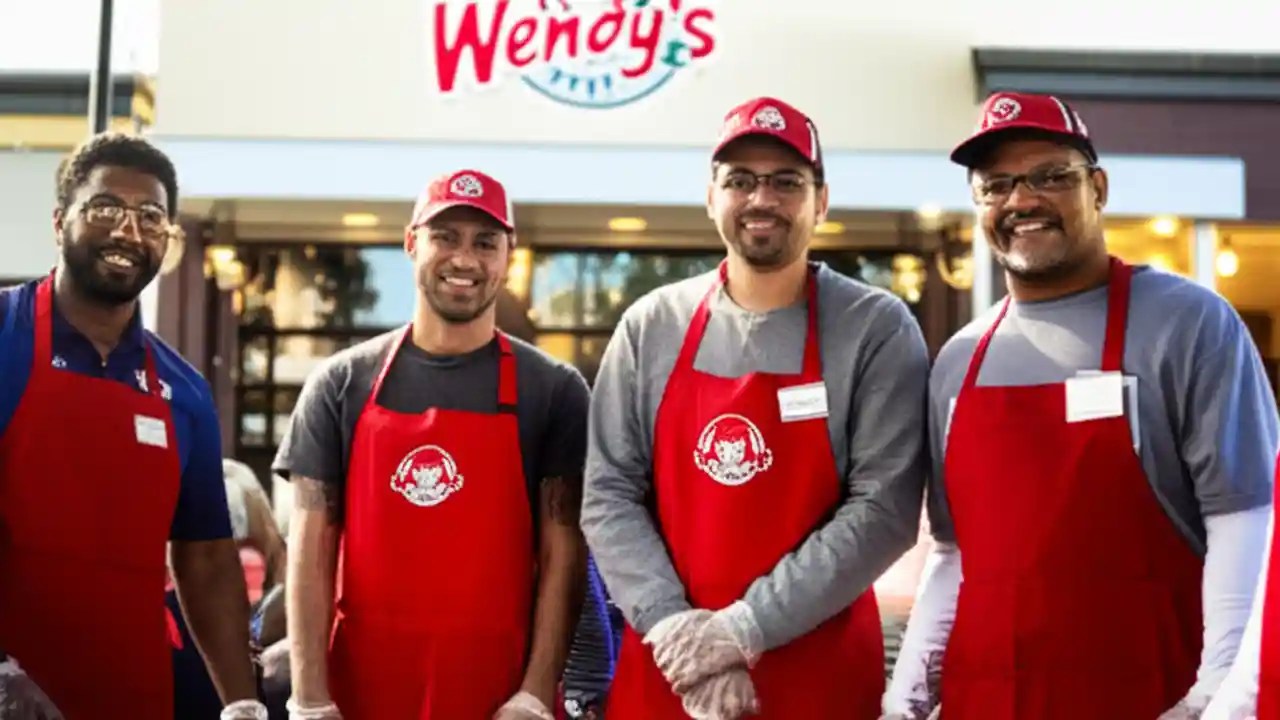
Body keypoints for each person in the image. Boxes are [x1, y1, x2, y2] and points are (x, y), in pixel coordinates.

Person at [880, 92, 1279, 720]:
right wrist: (908, 689)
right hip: (987, 698)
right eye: (997, 185)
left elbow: (1247, 518)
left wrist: (1217, 692)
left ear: (1098, 187)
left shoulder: (1189, 323)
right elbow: (956, 554)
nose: (1022, 200)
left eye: (1051, 176)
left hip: (1151, 696)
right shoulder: (958, 361)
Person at [581, 96, 930, 719]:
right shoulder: (651, 326)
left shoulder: (873, 327)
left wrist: (742, 630)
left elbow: (884, 509)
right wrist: (675, 631)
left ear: (821, 201)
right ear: (711, 197)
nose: (761, 199)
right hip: (669, 670)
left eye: (786, 182)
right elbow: (607, 495)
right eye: (739, 181)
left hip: (814, 676)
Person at [276, 169, 593, 720]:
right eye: (445, 237)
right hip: (360, 694)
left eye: (485, 242)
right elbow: (310, 550)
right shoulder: (342, 383)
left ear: (509, 255)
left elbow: (564, 552)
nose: (465, 259)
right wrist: (309, 699)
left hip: (497, 695)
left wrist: (536, 695)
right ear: (410, 243)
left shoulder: (555, 390)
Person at [0, 132, 266, 719]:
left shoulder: (185, 391)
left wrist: (242, 703)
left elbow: (204, 559)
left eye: (151, 217)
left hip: (133, 694)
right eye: (105, 209)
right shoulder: (5, 334)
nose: (128, 231)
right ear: (59, 221)